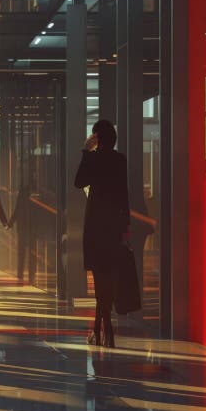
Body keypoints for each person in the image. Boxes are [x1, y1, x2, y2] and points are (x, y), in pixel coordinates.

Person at [74, 120, 129, 348]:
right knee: (109, 276)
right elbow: (124, 194)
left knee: (99, 278)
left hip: (96, 223)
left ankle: (101, 328)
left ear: (96, 137)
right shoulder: (119, 159)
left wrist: (86, 152)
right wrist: (125, 225)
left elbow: (78, 183)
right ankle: (102, 329)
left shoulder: (94, 158)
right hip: (113, 225)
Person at [7, 183, 34, 284]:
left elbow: (16, 211)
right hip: (31, 228)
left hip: (22, 228)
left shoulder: (21, 198)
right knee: (31, 252)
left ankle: (20, 273)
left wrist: (9, 224)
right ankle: (31, 274)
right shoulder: (34, 198)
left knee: (21, 252)